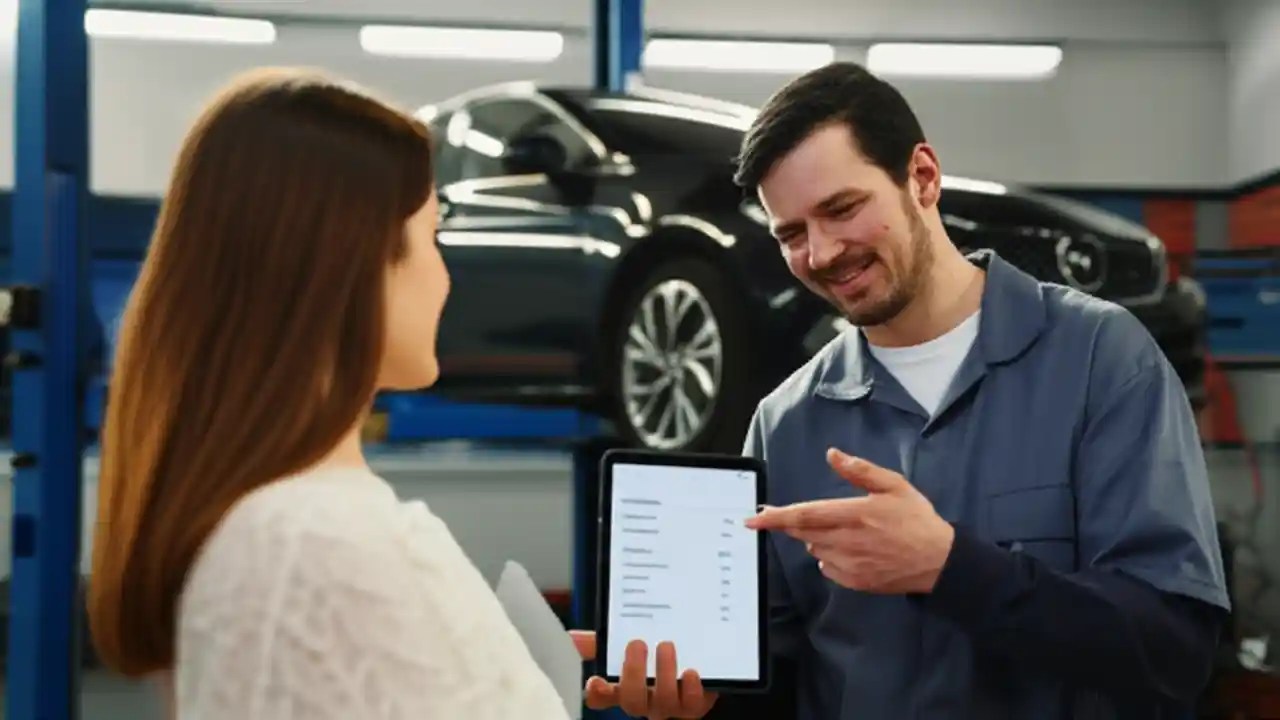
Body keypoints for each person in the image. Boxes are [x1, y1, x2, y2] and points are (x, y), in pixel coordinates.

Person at [574, 61, 1230, 719]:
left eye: (842, 209)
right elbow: (784, 679)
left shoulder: (1100, 359)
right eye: (792, 235)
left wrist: (951, 567)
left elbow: (1175, 649)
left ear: (922, 177)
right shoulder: (786, 423)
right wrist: (705, 701)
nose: (822, 253)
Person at [86, 68, 574, 719]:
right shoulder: (312, 540)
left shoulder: (284, 530)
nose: (445, 277)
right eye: (431, 236)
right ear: (353, 261)